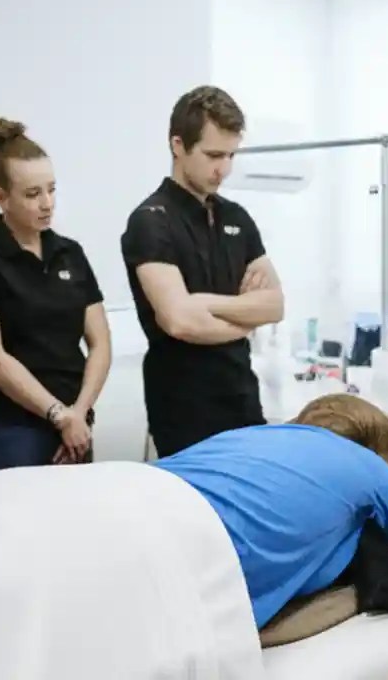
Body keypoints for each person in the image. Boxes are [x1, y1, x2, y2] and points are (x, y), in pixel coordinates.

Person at [154, 393, 388, 629]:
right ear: (383, 449)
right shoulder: (367, 464)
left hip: (130, 489)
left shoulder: (253, 435)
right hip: (191, 552)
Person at [121, 85, 284, 458]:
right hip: (184, 407)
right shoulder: (150, 222)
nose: (223, 169)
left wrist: (206, 303)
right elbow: (180, 322)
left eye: (230, 155)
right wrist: (246, 319)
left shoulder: (237, 218)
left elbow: (275, 305)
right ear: (178, 145)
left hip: (241, 395)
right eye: (213, 155)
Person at [0, 118, 111, 472]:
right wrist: (58, 415)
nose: (47, 203)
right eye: (32, 194)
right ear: (0, 196)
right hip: (9, 430)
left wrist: (78, 415)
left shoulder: (70, 253)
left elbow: (100, 342)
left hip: (75, 426)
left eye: (51, 189)